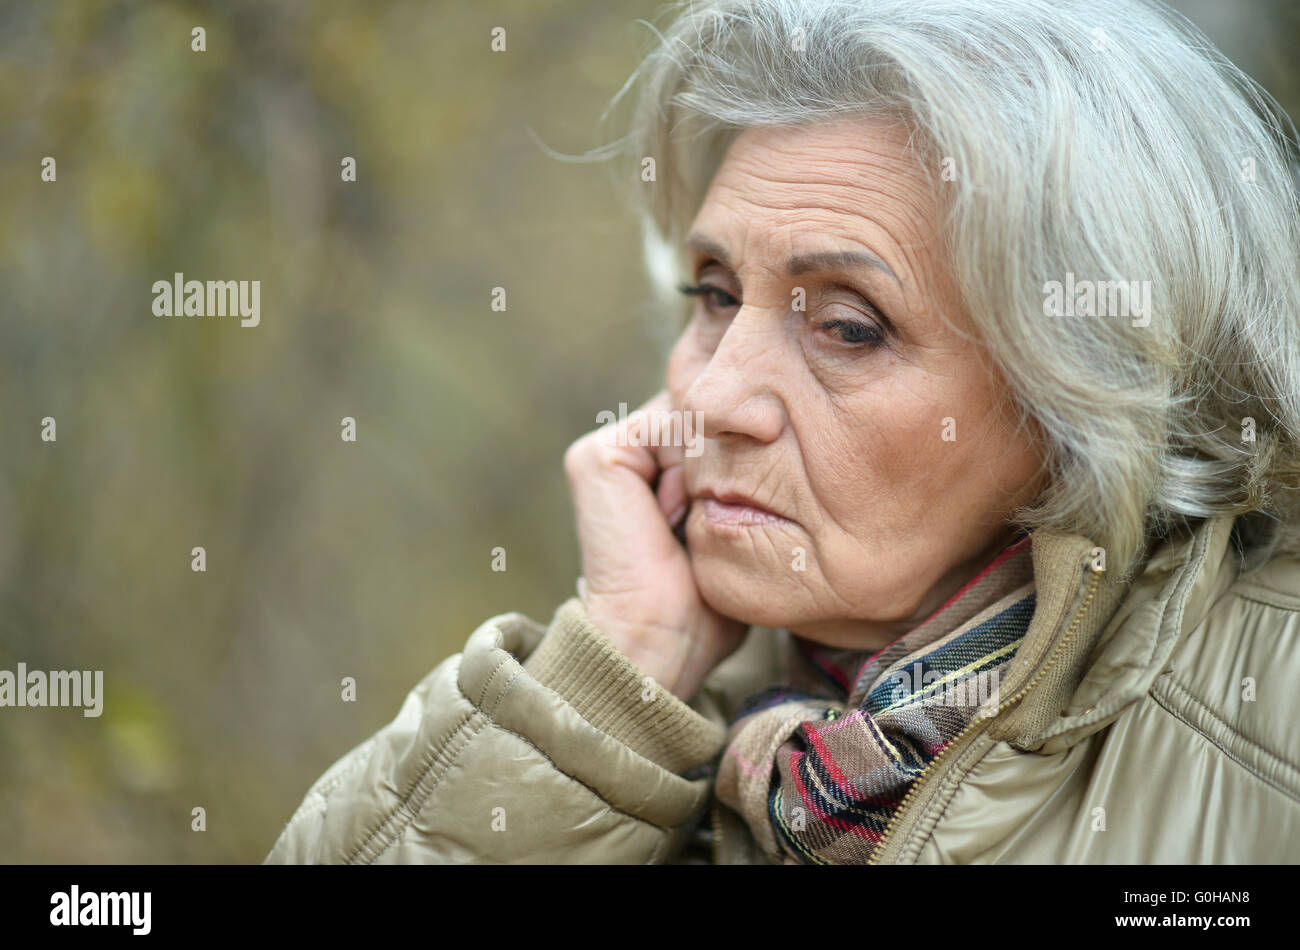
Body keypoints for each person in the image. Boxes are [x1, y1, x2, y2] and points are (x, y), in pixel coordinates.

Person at [265, 0, 1300, 864]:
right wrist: (616, 677)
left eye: (848, 325)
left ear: (1083, 401)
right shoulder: (696, 710)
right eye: (714, 293)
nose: (712, 396)